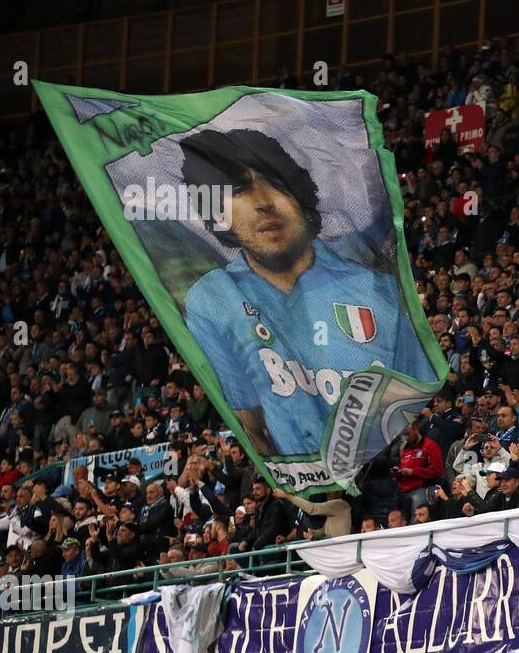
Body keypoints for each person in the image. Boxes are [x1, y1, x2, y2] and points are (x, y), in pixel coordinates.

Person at [179, 127, 438, 459]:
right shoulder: (211, 301)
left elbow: (414, 398)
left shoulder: (379, 290)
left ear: (301, 201)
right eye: (240, 190)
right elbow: (250, 424)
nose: (263, 203)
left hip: (382, 475)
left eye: (278, 186)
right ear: (218, 213)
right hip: (307, 489)